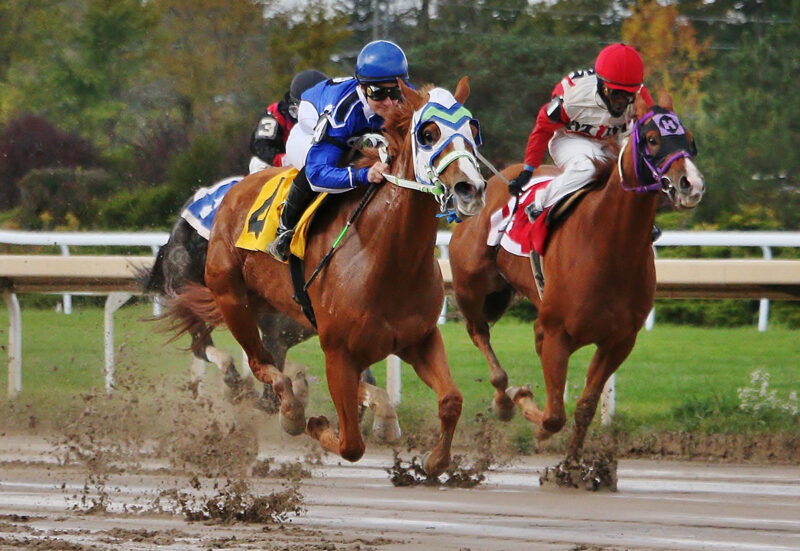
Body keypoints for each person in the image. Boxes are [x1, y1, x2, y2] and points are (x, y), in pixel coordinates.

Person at [266, 40, 409, 262]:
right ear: (362, 88)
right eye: (379, 93)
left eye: (396, 91)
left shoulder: (405, 99)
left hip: (358, 129)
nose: (390, 102)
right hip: (312, 129)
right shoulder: (342, 114)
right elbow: (317, 174)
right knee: (329, 163)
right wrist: (364, 175)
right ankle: (285, 229)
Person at [507, 43, 655, 220]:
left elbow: (653, 131)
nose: (620, 103)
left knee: (629, 170)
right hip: (570, 139)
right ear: (600, 84)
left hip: (610, 142)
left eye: (627, 96)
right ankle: (539, 204)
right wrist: (528, 170)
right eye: (614, 93)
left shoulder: (641, 97)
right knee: (590, 168)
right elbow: (542, 130)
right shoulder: (572, 96)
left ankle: (639, 221)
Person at [248, 69, 329, 174]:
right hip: (282, 162)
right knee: (258, 164)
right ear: (295, 104)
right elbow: (260, 145)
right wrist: (283, 160)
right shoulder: (276, 113)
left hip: (322, 158)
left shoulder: (335, 110)